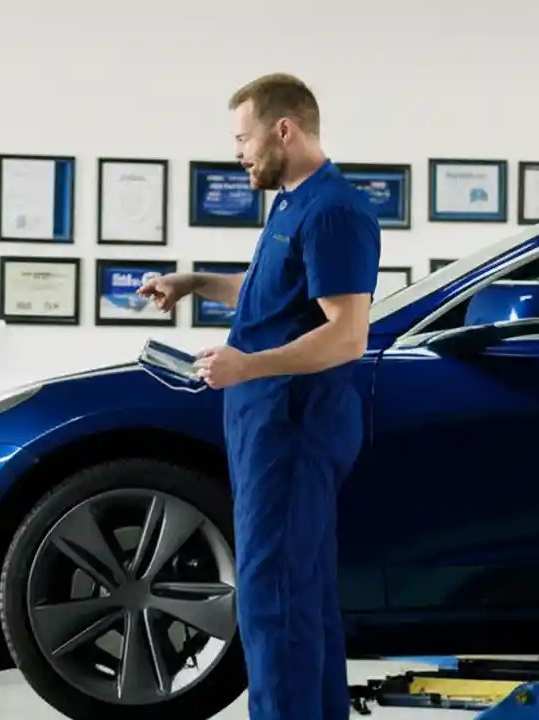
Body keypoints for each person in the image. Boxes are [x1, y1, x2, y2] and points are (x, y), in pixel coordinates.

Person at [137, 72, 380, 720]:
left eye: (243, 139)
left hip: (294, 426)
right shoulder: (293, 206)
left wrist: (249, 366)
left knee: (274, 599)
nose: (237, 154)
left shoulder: (333, 211)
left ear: (284, 130)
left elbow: (348, 334)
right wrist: (193, 283)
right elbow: (272, 292)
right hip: (269, 425)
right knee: (300, 597)